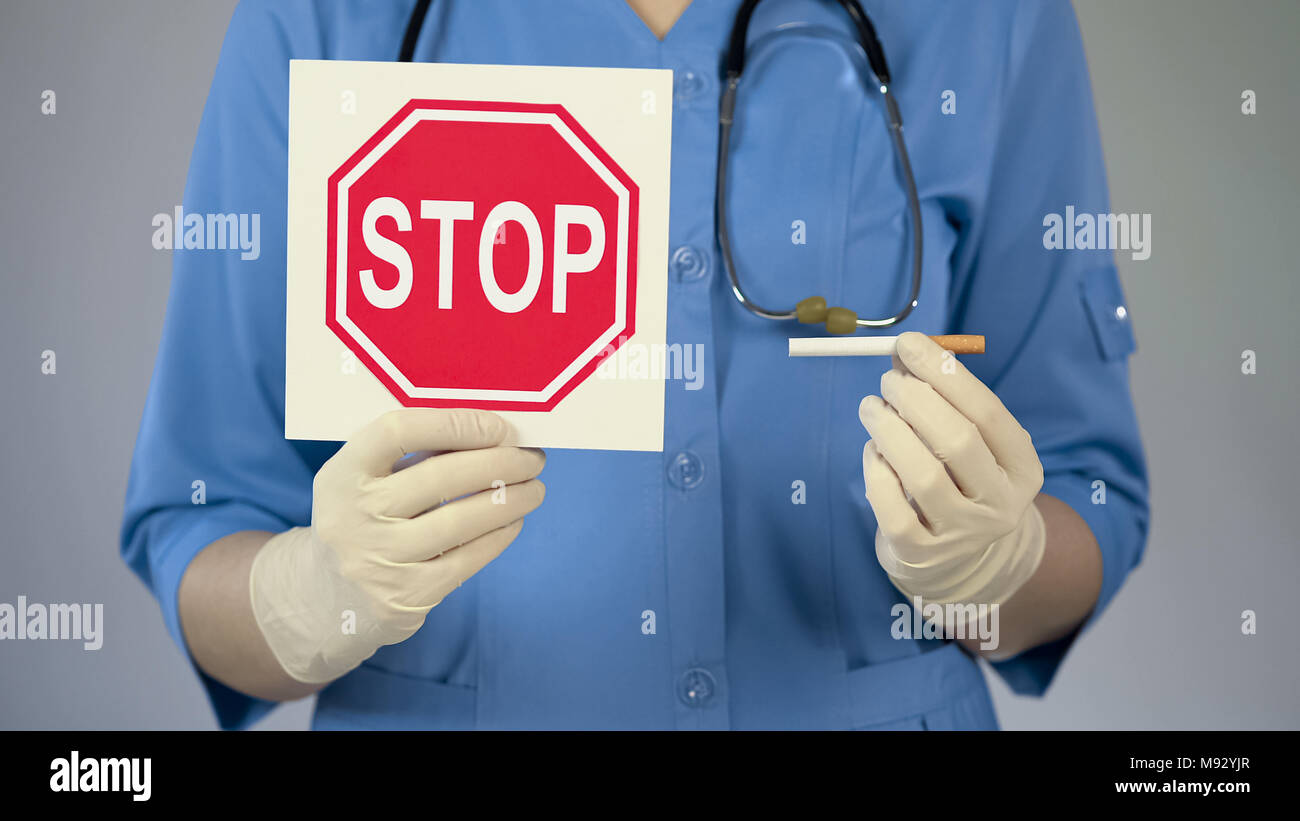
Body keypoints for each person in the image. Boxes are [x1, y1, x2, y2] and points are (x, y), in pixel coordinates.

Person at [121, 0, 1149, 730]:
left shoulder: (991, 16)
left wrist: (993, 566)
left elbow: (1090, 493)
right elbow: (198, 520)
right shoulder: (322, 17)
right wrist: (312, 596)